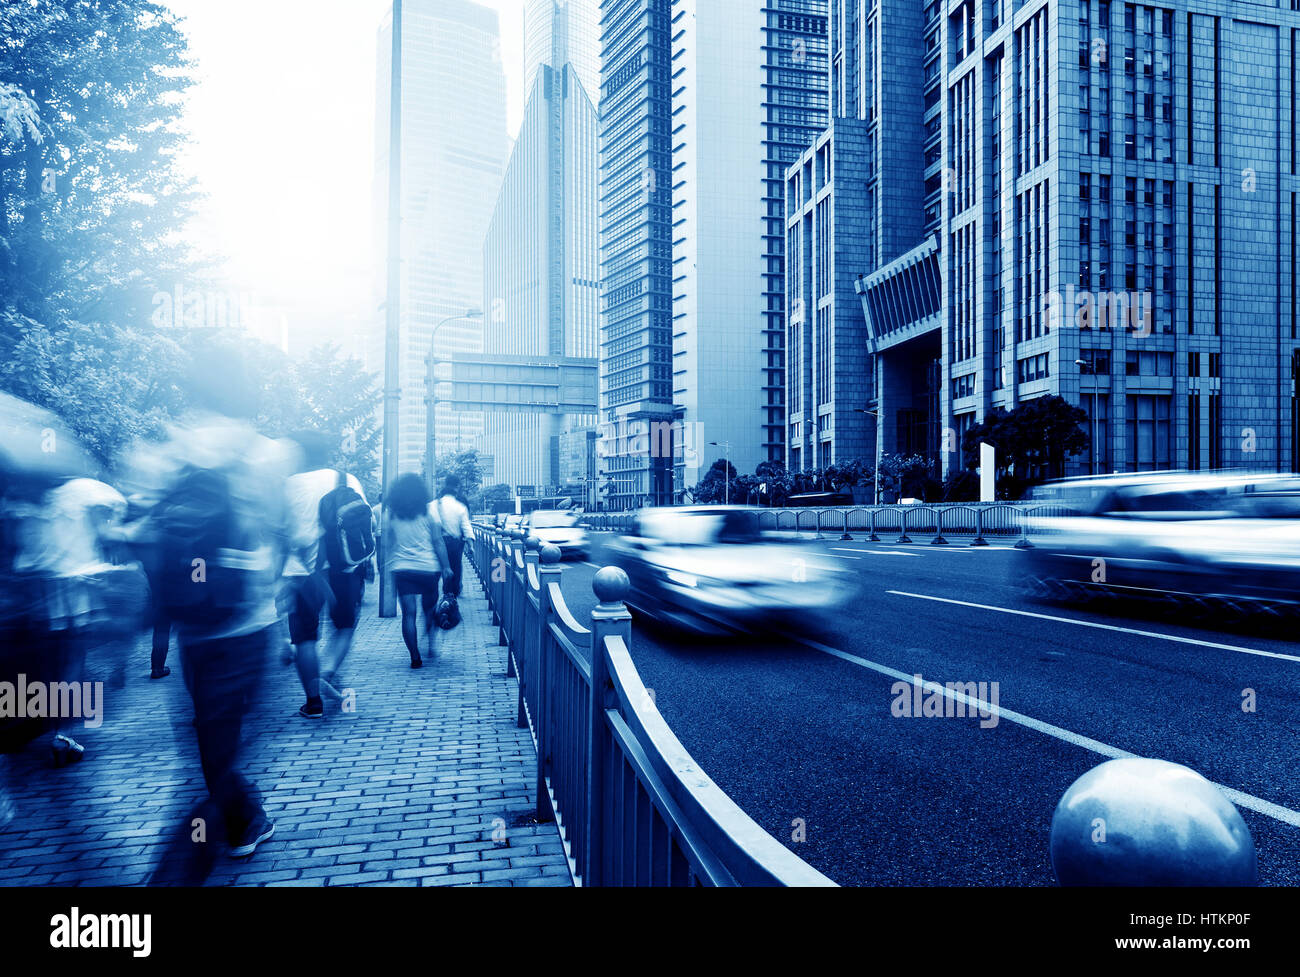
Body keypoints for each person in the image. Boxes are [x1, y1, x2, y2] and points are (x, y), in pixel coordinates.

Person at [140, 341, 292, 867]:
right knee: (218, 746)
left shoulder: (171, 450)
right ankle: (225, 831)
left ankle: (235, 821)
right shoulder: (266, 453)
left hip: (192, 628)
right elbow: (277, 533)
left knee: (209, 739)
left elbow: (146, 530)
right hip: (248, 625)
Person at [282, 435, 373, 719]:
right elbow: (364, 523)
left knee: (305, 637)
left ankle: (313, 702)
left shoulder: (287, 485)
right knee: (344, 626)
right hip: (344, 568)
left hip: (302, 571)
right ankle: (329, 671)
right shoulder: (348, 479)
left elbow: (277, 530)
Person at [382, 473, 452, 668]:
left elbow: (388, 544)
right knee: (429, 609)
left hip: (402, 568)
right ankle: (431, 644)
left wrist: (386, 567)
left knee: (408, 614)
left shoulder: (391, 513)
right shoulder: (430, 511)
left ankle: (415, 657)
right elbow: (438, 542)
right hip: (428, 568)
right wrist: (446, 567)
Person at [435, 475, 474, 598]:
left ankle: (446, 590)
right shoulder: (461, 503)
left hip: (439, 540)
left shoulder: (437, 502)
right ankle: (454, 590)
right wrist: (470, 544)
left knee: (443, 566)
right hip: (456, 541)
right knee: (456, 565)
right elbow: (466, 523)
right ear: (457, 486)